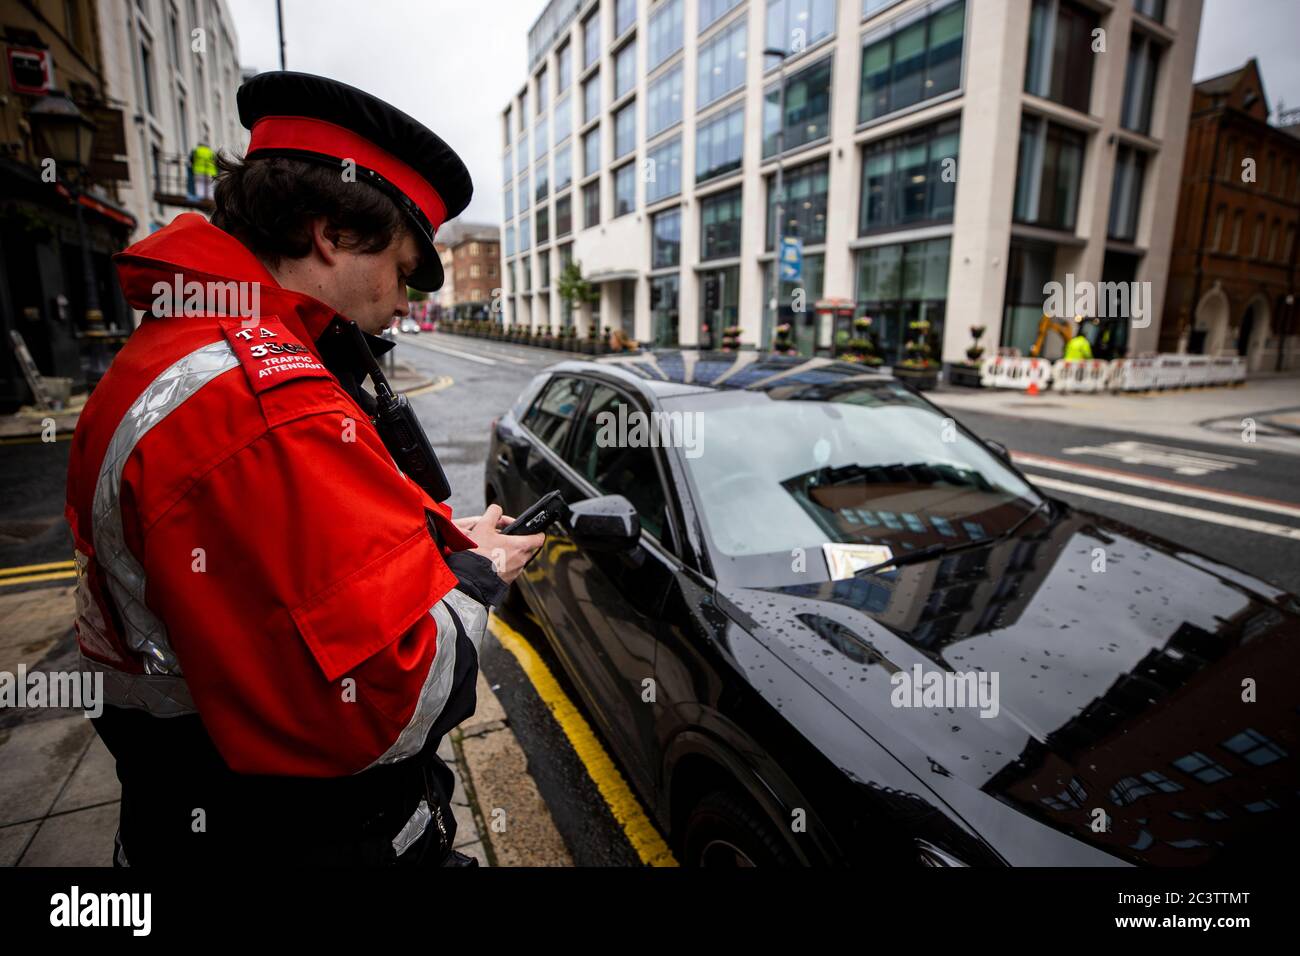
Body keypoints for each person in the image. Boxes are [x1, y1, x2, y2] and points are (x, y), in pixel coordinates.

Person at [64, 72, 543, 866]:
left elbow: (282, 582)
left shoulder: (189, 349)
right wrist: (477, 573)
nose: (404, 302)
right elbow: (380, 706)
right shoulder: (261, 408)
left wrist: (429, 546)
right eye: (401, 265)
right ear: (329, 233)